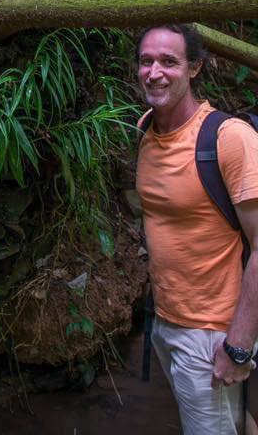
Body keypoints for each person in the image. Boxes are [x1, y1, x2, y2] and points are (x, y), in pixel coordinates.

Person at [135, 23, 258, 435]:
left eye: (169, 61)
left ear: (195, 68)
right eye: (146, 60)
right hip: (166, 321)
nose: (155, 72)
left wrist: (237, 348)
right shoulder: (146, 130)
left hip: (212, 333)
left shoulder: (228, 139)